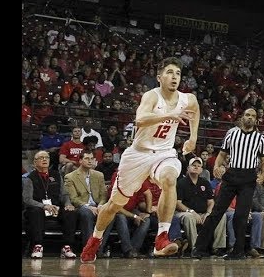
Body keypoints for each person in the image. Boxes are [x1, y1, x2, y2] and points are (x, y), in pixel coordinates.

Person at [79, 57, 199, 262]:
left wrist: (193, 137)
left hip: (164, 153)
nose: (174, 77)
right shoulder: (151, 96)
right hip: (138, 155)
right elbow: (140, 120)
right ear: (159, 77)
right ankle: (95, 239)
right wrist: (169, 115)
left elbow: (195, 111)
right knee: (115, 205)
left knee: (170, 179)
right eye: (170, 72)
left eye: (178, 74)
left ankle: (162, 237)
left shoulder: (188, 99)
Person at [193, 106, 264, 260]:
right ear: (242, 117)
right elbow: (222, 154)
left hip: (248, 178)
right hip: (231, 175)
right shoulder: (232, 133)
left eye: (253, 116)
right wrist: (216, 166)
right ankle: (199, 248)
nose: (249, 118)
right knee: (216, 213)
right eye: (247, 115)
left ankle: (238, 251)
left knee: (240, 216)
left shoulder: (260, 138)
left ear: (256, 120)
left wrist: (261, 175)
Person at [23, 150, 79, 258]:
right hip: (38, 208)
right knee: (35, 211)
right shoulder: (29, 178)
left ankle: (67, 246)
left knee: (70, 212)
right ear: (35, 163)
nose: (44, 159)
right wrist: (43, 206)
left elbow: (64, 194)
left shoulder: (56, 175)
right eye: (41, 158)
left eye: (46, 157)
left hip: (55, 207)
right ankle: (37, 245)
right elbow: (27, 199)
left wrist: (67, 203)